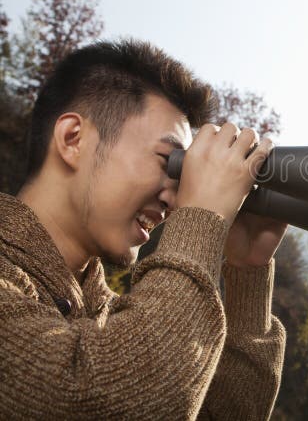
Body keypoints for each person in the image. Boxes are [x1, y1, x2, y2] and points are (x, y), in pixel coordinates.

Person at [0, 40, 287, 419]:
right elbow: (85, 397)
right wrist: (201, 216)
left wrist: (246, 271)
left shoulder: (112, 319)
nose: (175, 199)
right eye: (168, 162)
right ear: (73, 139)